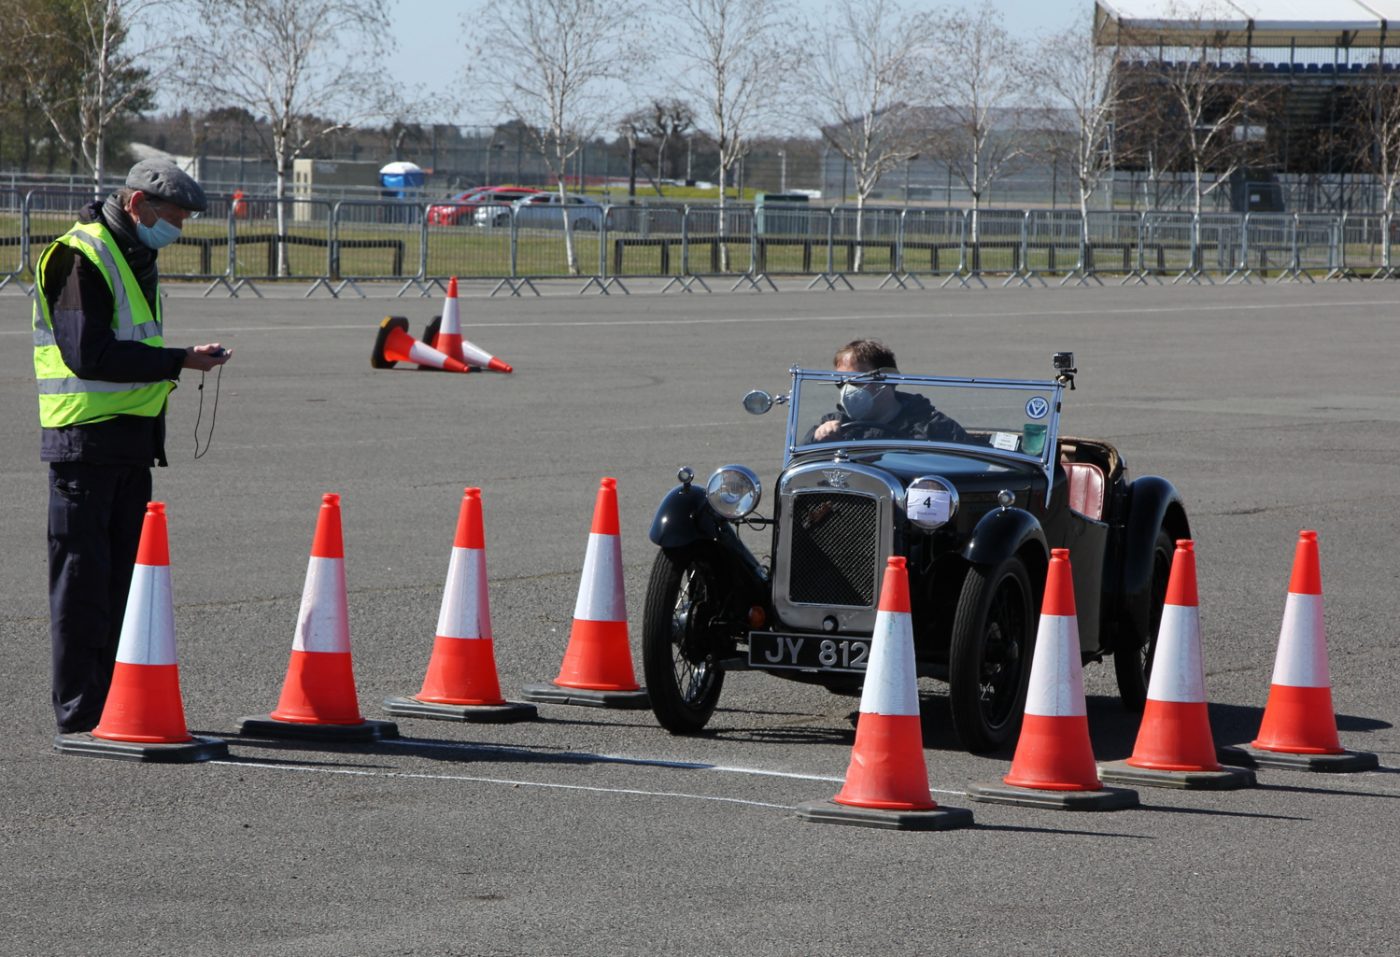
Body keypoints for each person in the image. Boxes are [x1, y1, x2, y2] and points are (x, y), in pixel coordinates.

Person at [33, 159, 232, 736]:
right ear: (139, 204)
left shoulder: (131, 255)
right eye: (173, 217)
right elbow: (87, 355)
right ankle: (81, 713)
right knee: (82, 586)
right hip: (82, 445)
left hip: (128, 444)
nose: (178, 230)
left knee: (122, 583)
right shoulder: (79, 256)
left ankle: (115, 705)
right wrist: (178, 360)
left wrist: (176, 360)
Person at [809, 338, 969, 443]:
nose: (846, 389)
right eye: (840, 383)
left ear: (885, 379)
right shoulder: (835, 424)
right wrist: (816, 438)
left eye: (856, 381)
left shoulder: (933, 426)